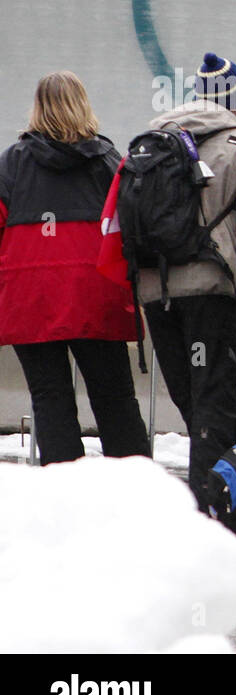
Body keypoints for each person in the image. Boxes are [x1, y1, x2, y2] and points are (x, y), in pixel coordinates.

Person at [0, 72, 151, 464]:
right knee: (114, 396)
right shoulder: (108, 163)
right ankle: (136, 488)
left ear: (37, 108)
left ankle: (63, 491)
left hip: (32, 297)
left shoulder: (10, 165)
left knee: (50, 397)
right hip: (97, 292)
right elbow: (133, 228)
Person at [132, 53, 236, 506]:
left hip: (155, 285)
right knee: (215, 394)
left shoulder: (156, 137)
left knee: (189, 394)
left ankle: (205, 493)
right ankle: (213, 504)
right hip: (210, 285)